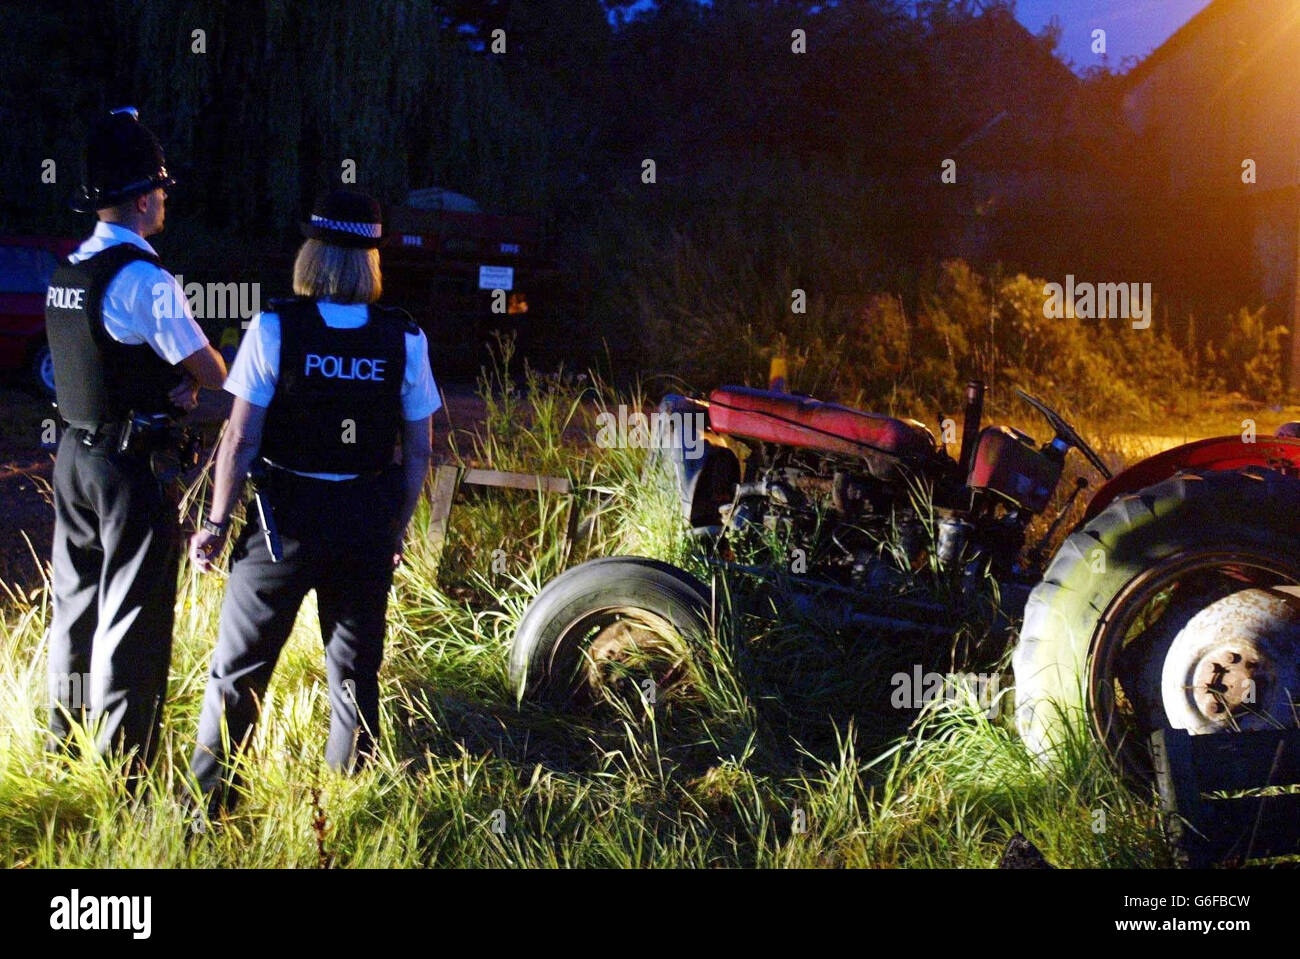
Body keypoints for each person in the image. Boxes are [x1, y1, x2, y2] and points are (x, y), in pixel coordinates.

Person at [188, 189, 437, 815]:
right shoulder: (404, 338)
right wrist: (395, 529)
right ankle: (349, 803)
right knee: (354, 671)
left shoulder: (275, 326)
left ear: (314, 255)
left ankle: (209, 809)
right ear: (370, 262)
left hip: (282, 525)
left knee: (239, 670)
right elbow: (420, 453)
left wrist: (216, 523)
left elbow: (240, 438)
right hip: (364, 521)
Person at [45, 107, 226, 774]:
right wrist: (187, 382)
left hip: (72, 455)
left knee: (75, 605)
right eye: (162, 193)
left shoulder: (71, 272)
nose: (164, 203)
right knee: (135, 612)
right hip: (130, 465)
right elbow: (209, 366)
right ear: (146, 197)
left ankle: (63, 747)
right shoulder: (146, 280)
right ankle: (125, 767)